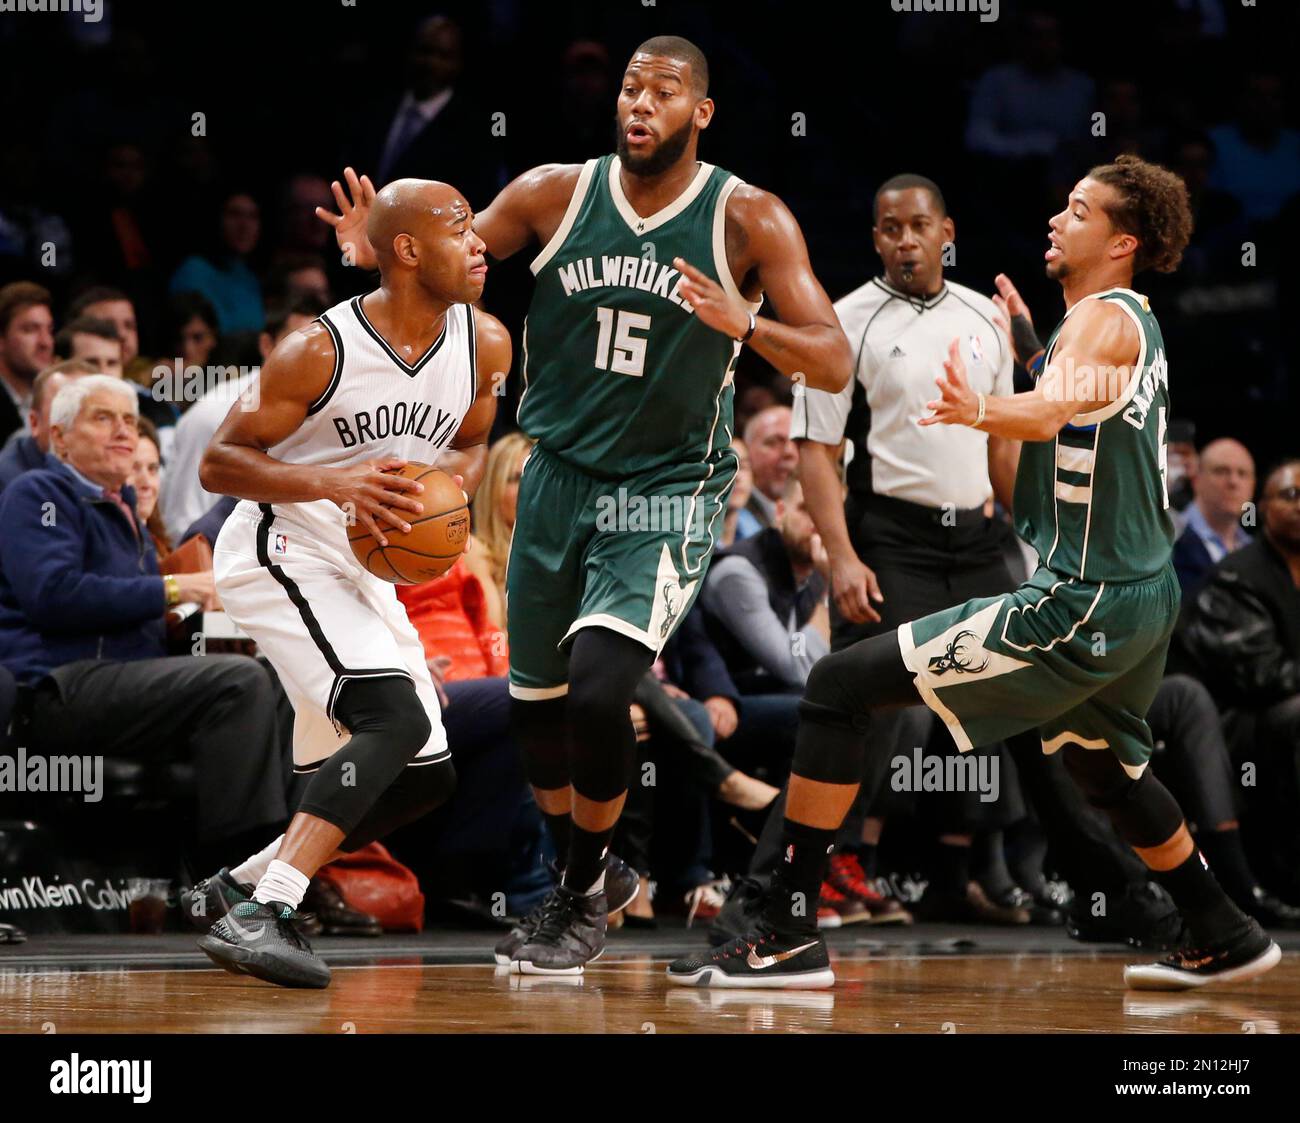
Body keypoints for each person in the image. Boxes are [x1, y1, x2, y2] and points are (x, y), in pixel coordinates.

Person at [668, 154, 1280, 991]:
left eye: (1079, 209)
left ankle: (781, 928)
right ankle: (1220, 925)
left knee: (839, 690)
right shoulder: (1124, 320)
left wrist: (981, 407)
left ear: (1122, 241)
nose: (1058, 219)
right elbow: (1079, 404)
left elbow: (1051, 411)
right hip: (1137, 597)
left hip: (1080, 599)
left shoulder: (1101, 316)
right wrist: (1030, 351)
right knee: (1104, 767)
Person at [319, 34, 853, 975]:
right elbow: (452, 263)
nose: (641, 103)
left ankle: (578, 888)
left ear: (703, 112)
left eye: (665, 90)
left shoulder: (748, 220)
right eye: (630, 88)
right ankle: (591, 874)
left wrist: (748, 323)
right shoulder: (552, 194)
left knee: (604, 687)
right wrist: (381, 253)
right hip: (556, 475)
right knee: (539, 714)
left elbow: (833, 356)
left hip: (665, 490)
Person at [190, 178, 508, 989]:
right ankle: (271, 909)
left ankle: (242, 885)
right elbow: (219, 462)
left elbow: (472, 447)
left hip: (367, 561)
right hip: (281, 544)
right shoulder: (318, 350)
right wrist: (339, 484)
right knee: (393, 716)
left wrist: (446, 488)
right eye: (461, 230)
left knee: (426, 774)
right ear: (406, 251)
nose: (481, 246)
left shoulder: (489, 343)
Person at [0, 375, 290, 867]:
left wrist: (194, 622)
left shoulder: (123, 507)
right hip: (59, 686)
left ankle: (285, 861)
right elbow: (53, 596)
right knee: (237, 682)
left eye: (131, 421)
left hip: (124, 684)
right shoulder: (39, 494)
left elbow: (133, 618)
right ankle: (233, 872)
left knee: (276, 679)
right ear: (61, 436)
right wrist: (175, 589)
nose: (123, 431)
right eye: (103, 417)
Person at [1176, 458, 1300, 898]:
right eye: (1290, 495)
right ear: (1263, 508)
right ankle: (1283, 873)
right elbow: (1261, 675)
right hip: (1235, 722)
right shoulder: (1237, 574)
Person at [1171, 437, 1254, 598]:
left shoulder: (1255, 550)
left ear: (1253, 485)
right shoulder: (1168, 537)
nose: (1233, 481)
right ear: (1196, 479)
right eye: (1221, 471)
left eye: (1242, 474)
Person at [0, 358, 91, 491]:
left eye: (98, 416)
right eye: (64, 410)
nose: (79, 424)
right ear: (34, 422)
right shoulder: (11, 484)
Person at [0, 282, 54, 443]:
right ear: (1, 339)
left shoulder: (53, 399)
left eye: (50, 330)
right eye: (30, 329)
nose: (46, 342)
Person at [741, 405, 798, 534]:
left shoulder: (819, 512)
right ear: (747, 450)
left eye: (798, 442)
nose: (789, 452)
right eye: (773, 442)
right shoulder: (727, 510)